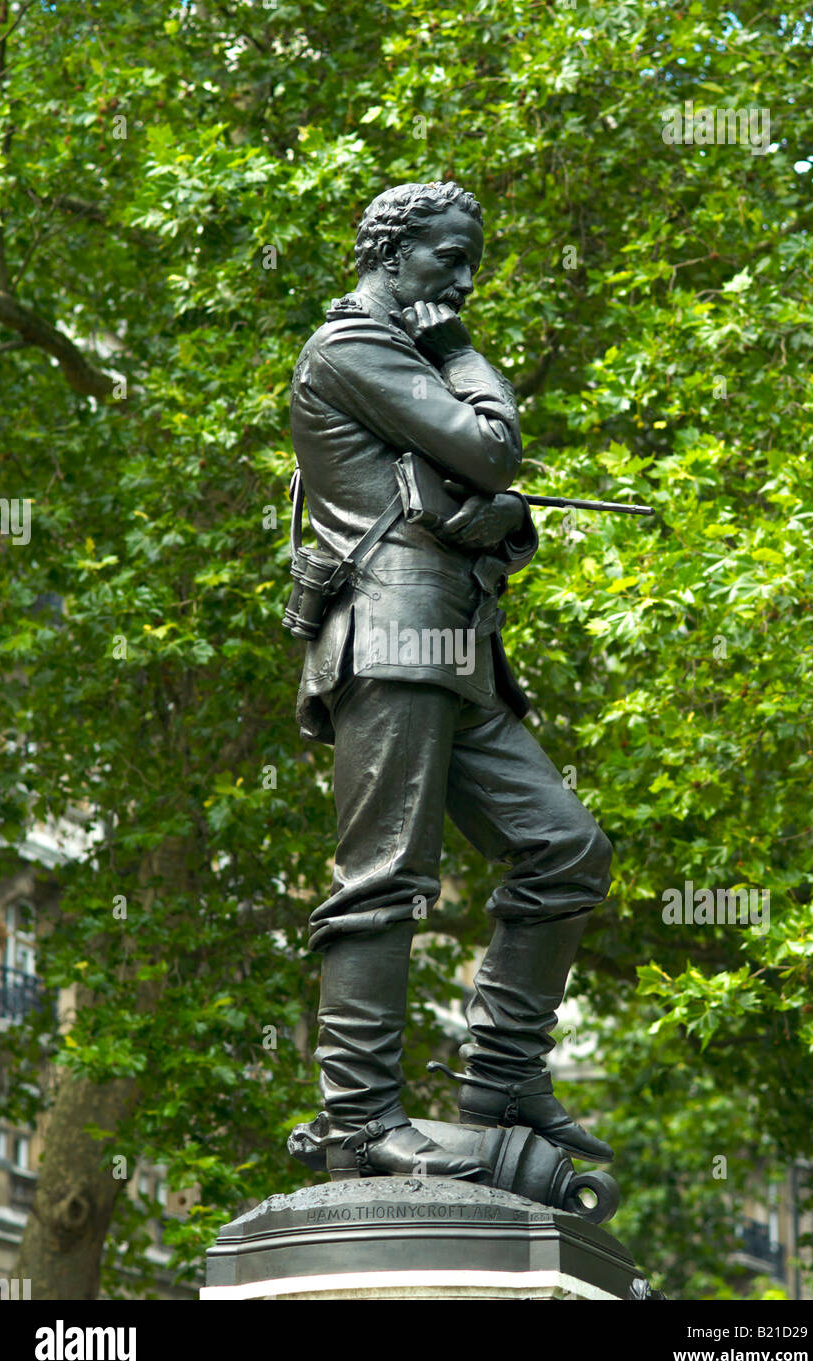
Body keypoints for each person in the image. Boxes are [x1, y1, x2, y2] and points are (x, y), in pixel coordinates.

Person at [289, 180, 614, 1181]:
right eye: (449, 256)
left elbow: (483, 483)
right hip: (391, 639)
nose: (463, 280)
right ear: (393, 254)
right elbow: (490, 447)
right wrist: (461, 351)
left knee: (564, 847)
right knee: (383, 877)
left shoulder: (396, 350)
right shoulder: (352, 346)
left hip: (454, 650)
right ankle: (359, 1120)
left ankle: (502, 1082)